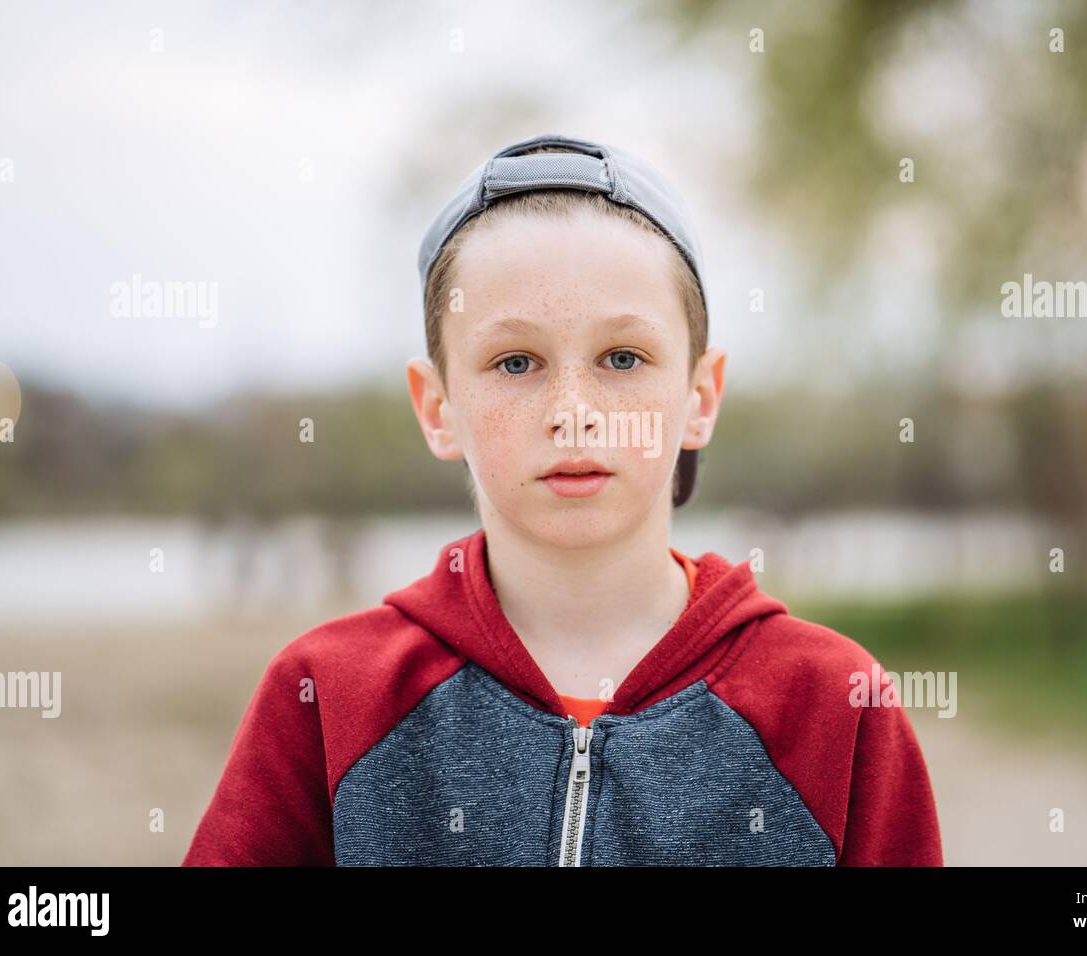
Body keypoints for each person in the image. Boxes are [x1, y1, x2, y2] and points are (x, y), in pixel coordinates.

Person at [182, 133, 942, 866]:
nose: (572, 411)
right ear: (437, 406)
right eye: (516, 362)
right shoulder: (326, 697)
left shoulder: (834, 707)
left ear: (700, 396)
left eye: (623, 357)